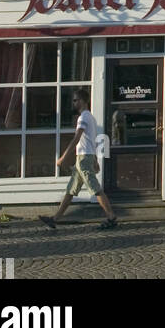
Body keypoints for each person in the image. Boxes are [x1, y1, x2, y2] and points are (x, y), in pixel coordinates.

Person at [38, 89, 118, 231]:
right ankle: (55, 219)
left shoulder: (83, 118)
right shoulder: (91, 118)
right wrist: (94, 160)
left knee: (95, 188)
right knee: (71, 189)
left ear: (83, 101)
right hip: (84, 158)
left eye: (75, 100)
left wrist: (63, 157)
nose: (73, 103)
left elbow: (77, 138)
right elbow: (90, 140)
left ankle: (111, 216)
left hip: (83, 159)